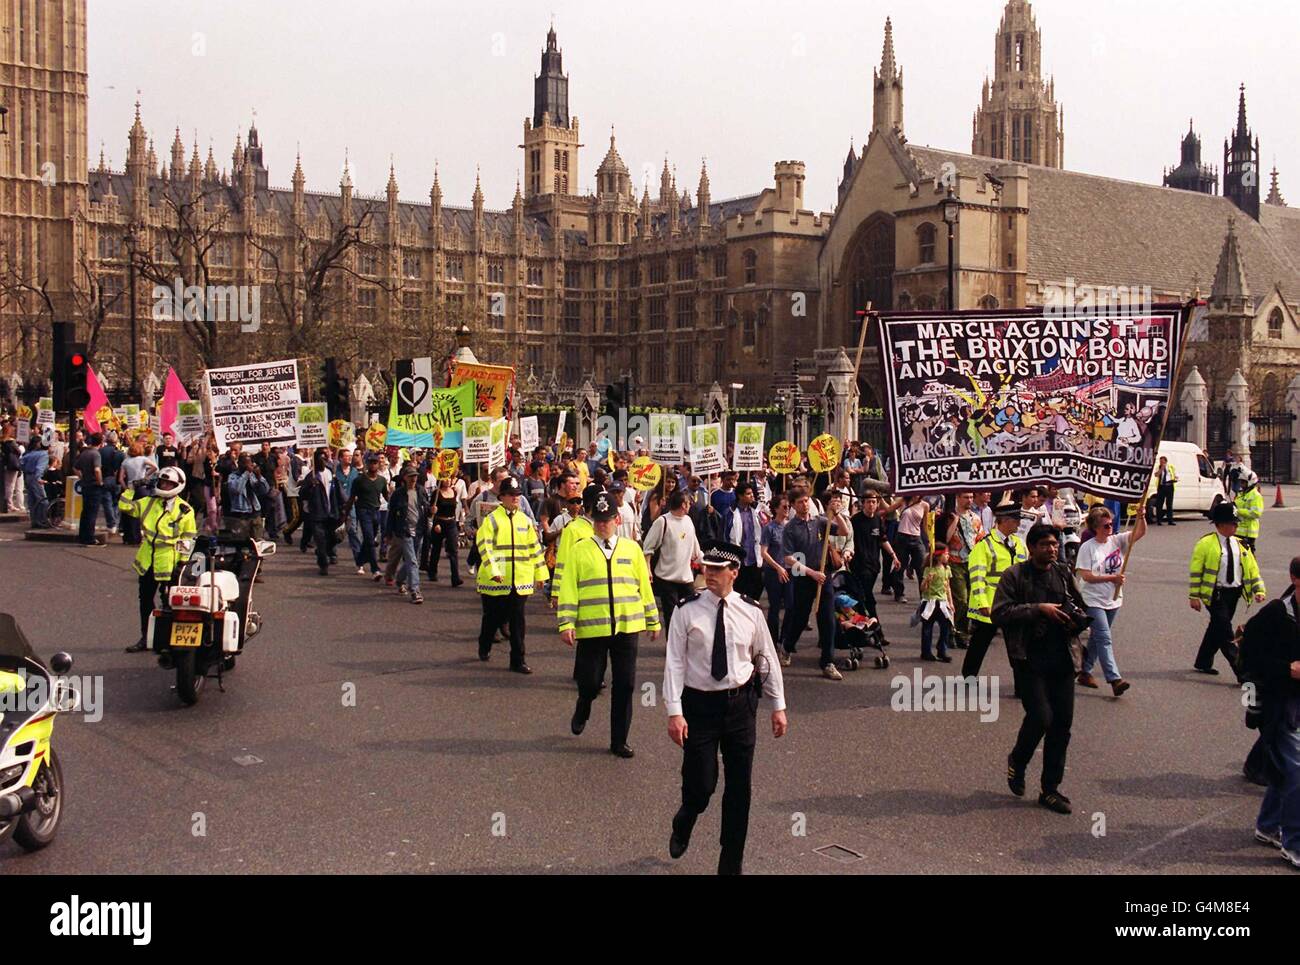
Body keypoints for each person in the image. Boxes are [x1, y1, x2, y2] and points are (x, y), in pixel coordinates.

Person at [664, 540, 787, 875]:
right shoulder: (686, 609)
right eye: (707, 567)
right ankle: (687, 815)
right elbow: (675, 662)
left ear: (735, 573)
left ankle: (730, 863)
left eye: (718, 569)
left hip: (740, 706)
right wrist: (674, 711)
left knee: (739, 790)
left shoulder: (750, 611)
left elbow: (766, 659)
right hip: (699, 706)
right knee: (701, 785)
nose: (710, 574)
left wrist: (778, 705)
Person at [993, 522, 1089, 815]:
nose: (1052, 550)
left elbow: (1079, 605)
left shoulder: (1062, 572)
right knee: (1042, 717)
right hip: (1029, 660)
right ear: (1031, 547)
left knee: (1062, 725)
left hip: (1062, 658)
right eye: (1046, 545)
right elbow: (1000, 613)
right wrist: (1039, 609)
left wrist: (1078, 619)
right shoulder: (1015, 575)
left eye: (1055, 545)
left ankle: (1050, 789)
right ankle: (1018, 761)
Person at [558, 489, 660, 757]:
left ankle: (619, 740)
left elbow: (643, 586)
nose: (603, 524)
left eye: (607, 519)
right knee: (590, 681)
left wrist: (653, 620)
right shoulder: (580, 550)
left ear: (617, 520)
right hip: (593, 627)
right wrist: (566, 622)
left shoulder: (632, 549)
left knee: (625, 684)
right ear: (592, 521)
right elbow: (569, 587)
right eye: (598, 520)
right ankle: (584, 702)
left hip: (627, 626)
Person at [1240, 556, 1300, 870]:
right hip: (1279, 705)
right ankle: (1294, 844)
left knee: (1286, 772)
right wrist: (1285, 669)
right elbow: (1247, 656)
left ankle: (1267, 826)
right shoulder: (1276, 614)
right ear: (1296, 580)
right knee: (1296, 772)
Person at [118, 466, 197, 652]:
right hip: (147, 562)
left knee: (170, 604)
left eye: (169, 483)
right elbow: (124, 506)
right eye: (162, 482)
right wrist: (132, 488)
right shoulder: (148, 501)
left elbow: (189, 538)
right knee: (145, 601)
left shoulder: (185, 510)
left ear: (178, 485)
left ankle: (169, 640)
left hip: (170, 563)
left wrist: (183, 563)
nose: (165, 485)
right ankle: (146, 637)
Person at [476, 476, 545, 673]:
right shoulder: (491, 520)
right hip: (496, 580)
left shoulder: (525, 520)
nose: (515, 498)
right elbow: (485, 546)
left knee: (517, 621)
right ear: (502, 497)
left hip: (520, 580)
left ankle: (518, 660)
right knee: (492, 617)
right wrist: (494, 571)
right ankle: (484, 644)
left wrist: (540, 574)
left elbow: (534, 548)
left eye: (517, 495)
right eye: (511, 495)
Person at [1189, 500, 1266, 678]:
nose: (1236, 525)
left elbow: (1252, 569)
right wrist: (1193, 596)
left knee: (1217, 627)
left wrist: (1258, 590)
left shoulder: (1241, 544)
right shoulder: (1205, 544)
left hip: (1235, 592)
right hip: (1215, 594)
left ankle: (1203, 661)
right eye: (1233, 522)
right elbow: (1195, 571)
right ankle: (1242, 670)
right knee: (1226, 632)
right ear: (1221, 524)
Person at [1074, 505, 1144, 696]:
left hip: (1113, 600)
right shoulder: (1087, 548)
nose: (1109, 528)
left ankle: (1085, 671)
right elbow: (1086, 576)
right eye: (1105, 525)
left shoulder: (1116, 541)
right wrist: (1111, 579)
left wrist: (1142, 517)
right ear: (1096, 527)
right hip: (1093, 600)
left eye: (1111, 524)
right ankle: (1114, 679)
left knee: (1098, 638)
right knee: (1104, 637)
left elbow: (1139, 532)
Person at [961, 495, 1028, 682]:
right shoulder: (984, 546)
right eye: (1016, 520)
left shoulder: (1019, 544)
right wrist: (982, 603)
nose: (1018, 524)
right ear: (1004, 521)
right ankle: (968, 677)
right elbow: (977, 577)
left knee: (1017, 647)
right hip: (991, 605)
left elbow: (1026, 574)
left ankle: (1021, 686)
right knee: (979, 643)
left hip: (1013, 604)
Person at [781, 487, 842, 679]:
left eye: (806, 500)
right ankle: (787, 646)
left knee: (828, 619)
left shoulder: (820, 521)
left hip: (825, 577)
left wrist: (836, 513)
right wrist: (811, 573)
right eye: (800, 502)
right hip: (803, 578)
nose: (804, 504)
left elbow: (843, 530)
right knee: (800, 618)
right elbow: (788, 558)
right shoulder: (790, 528)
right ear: (793, 505)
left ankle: (828, 662)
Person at [642, 489, 703, 630]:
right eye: (688, 503)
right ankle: (672, 647)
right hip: (667, 579)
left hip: (686, 579)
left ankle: (687, 647)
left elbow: (695, 548)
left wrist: (703, 565)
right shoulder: (662, 522)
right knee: (673, 617)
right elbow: (648, 548)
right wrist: (648, 570)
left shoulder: (688, 521)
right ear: (683, 504)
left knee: (690, 615)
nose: (690, 506)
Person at [384, 465, 429, 604]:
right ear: (404, 478)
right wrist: (388, 533)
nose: (413, 479)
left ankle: (399, 579)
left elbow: (425, 507)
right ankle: (415, 590)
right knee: (413, 561)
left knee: (413, 559)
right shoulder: (398, 494)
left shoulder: (421, 491)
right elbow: (391, 515)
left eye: (415, 476)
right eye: (410, 476)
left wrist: (431, 509)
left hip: (419, 530)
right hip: (404, 531)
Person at [946, 491, 983, 649]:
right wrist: (954, 521)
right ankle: (951, 631)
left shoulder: (976, 518)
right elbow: (944, 538)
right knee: (960, 599)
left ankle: (961, 632)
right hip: (955, 562)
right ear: (958, 498)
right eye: (965, 497)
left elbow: (980, 539)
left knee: (969, 601)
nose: (969, 500)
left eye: (970, 497)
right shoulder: (949, 517)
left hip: (972, 562)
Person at [299, 451, 344, 575]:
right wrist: (309, 486)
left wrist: (344, 506)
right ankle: (323, 565)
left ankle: (324, 551)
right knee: (320, 540)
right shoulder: (311, 476)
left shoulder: (332, 474)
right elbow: (302, 494)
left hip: (331, 513)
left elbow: (338, 492)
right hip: (317, 514)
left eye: (324, 459)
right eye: (319, 460)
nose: (322, 462)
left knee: (335, 537)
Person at [347, 453, 387, 580]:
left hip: (376, 511)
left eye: (375, 462)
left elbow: (387, 496)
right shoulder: (359, 480)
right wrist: (346, 514)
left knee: (369, 540)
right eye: (371, 462)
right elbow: (352, 498)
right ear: (367, 464)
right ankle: (375, 569)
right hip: (363, 511)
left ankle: (360, 560)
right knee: (370, 540)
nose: (373, 465)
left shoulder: (382, 480)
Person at [916, 546, 955, 662]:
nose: (948, 556)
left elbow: (947, 587)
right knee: (927, 628)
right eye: (946, 554)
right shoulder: (929, 570)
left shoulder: (947, 569)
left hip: (942, 602)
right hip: (930, 602)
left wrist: (951, 603)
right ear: (939, 556)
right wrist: (927, 580)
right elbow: (922, 588)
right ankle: (926, 651)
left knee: (946, 626)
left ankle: (942, 649)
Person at [727, 481, 764, 599]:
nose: (752, 496)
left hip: (754, 558)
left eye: (752, 493)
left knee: (756, 590)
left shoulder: (757, 511)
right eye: (748, 494)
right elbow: (725, 536)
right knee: (739, 594)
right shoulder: (730, 513)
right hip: (740, 560)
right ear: (740, 496)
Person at [426, 472, 464, 586]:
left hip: (451, 522)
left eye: (449, 479)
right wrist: (434, 519)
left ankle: (455, 577)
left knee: (453, 550)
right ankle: (432, 572)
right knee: (436, 548)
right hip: (440, 522)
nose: (447, 481)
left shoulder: (454, 492)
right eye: (445, 479)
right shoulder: (436, 493)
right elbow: (431, 510)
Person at [226, 452, 270, 541]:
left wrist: (259, 476)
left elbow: (265, 490)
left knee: (258, 542)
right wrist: (246, 473)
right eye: (245, 463)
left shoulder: (252, 475)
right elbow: (237, 490)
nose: (248, 465)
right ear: (239, 463)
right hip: (241, 513)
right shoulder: (233, 476)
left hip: (255, 512)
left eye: (249, 463)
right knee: (241, 542)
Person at [74, 431, 106, 545]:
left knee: (85, 511)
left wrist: (82, 477)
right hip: (94, 485)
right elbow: (97, 470)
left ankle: (83, 536)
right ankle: (89, 538)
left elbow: (75, 468)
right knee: (92, 512)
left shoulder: (84, 453)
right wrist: (100, 482)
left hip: (85, 484)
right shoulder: (96, 454)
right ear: (101, 442)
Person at [20, 436, 51, 529]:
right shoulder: (43, 455)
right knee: (42, 500)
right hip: (35, 477)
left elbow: (21, 463)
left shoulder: (29, 454)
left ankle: (34, 521)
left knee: (32, 500)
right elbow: (40, 468)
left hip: (28, 476)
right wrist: (38, 477)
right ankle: (41, 521)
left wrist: (26, 470)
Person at [1231, 468, 1264, 554]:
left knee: (1248, 556)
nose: (1241, 484)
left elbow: (1256, 513)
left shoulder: (1255, 496)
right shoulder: (1241, 494)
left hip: (1248, 533)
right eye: (1241, 482)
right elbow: (1236, 505)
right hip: (1238, 530)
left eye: (1243, 482)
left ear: (1250, 482)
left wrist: (1238, 511)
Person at [1153, 455, 1177, 525]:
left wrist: (1175, 478)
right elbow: (1156, 475)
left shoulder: (1170, 467)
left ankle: (1170, 520)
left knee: (1169, 504)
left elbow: (1174, 475)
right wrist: (1161, 469)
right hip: (1161, 487)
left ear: (1166, 462)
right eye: (1160, 462)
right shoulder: (1158, 467)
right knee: (1159, 504)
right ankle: (1159, 520)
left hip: (1169, 486)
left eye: (1163, 462)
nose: (1161, 463)